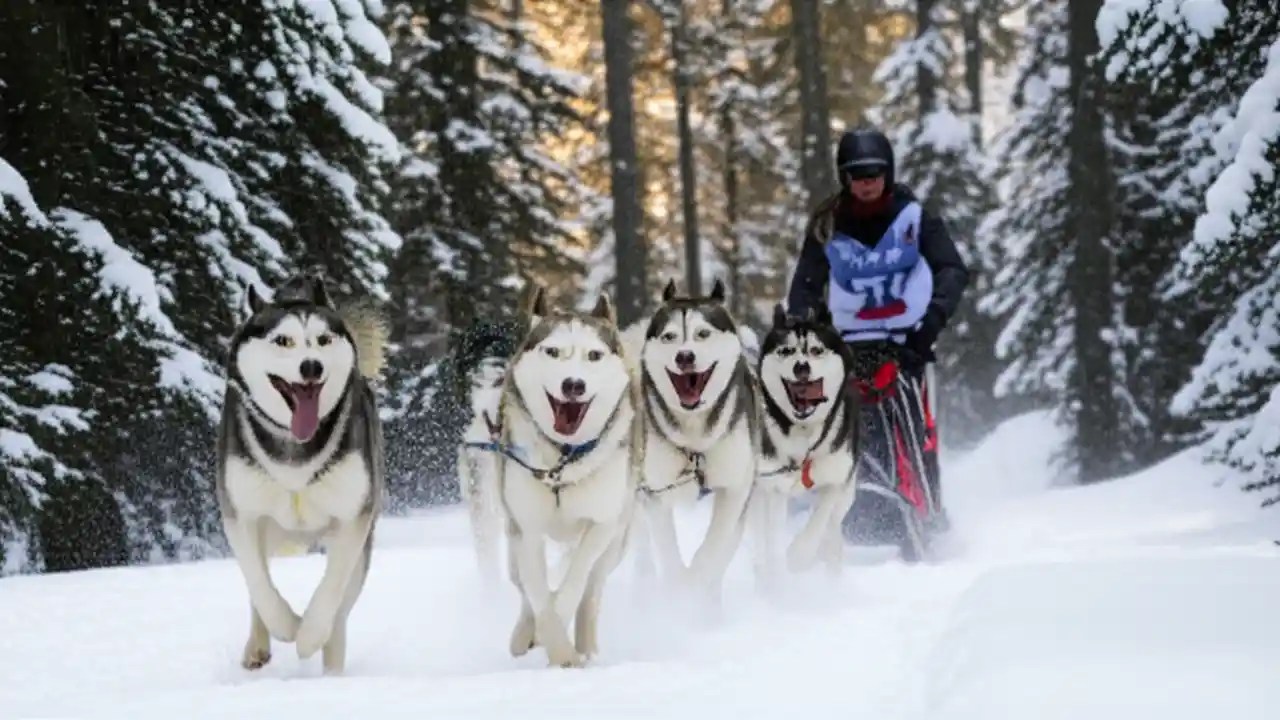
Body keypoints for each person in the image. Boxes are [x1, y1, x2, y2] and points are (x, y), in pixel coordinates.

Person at [786, 127, 969, 558]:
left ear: (888, 172)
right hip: (848, 346)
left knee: (914, 427)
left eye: (875, 173)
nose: (867, 182)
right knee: (853, 428)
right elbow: (805, 288)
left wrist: (931, 322)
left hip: (909, 341)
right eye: (857, 174)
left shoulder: (915, 217)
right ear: (844, 177)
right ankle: (861, 509)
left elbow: (952, 270)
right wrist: (807, 331)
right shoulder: (827, 225)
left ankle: (926, 508)